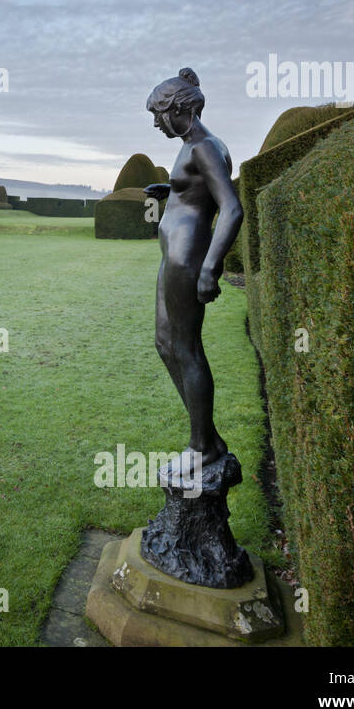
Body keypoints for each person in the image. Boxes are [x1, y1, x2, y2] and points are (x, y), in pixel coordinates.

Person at [143, 68, 242, 465]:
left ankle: (202, 447)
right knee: (165, 344)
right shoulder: (192, 145)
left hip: (189, 258)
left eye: (157, 114)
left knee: (186, 348)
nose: (155, 122)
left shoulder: (204, 146)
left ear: (177, 109)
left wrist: (210, 268)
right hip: (174, 255)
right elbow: (196, 192)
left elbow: (232, 208)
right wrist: (171, 190)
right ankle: (208, 438)